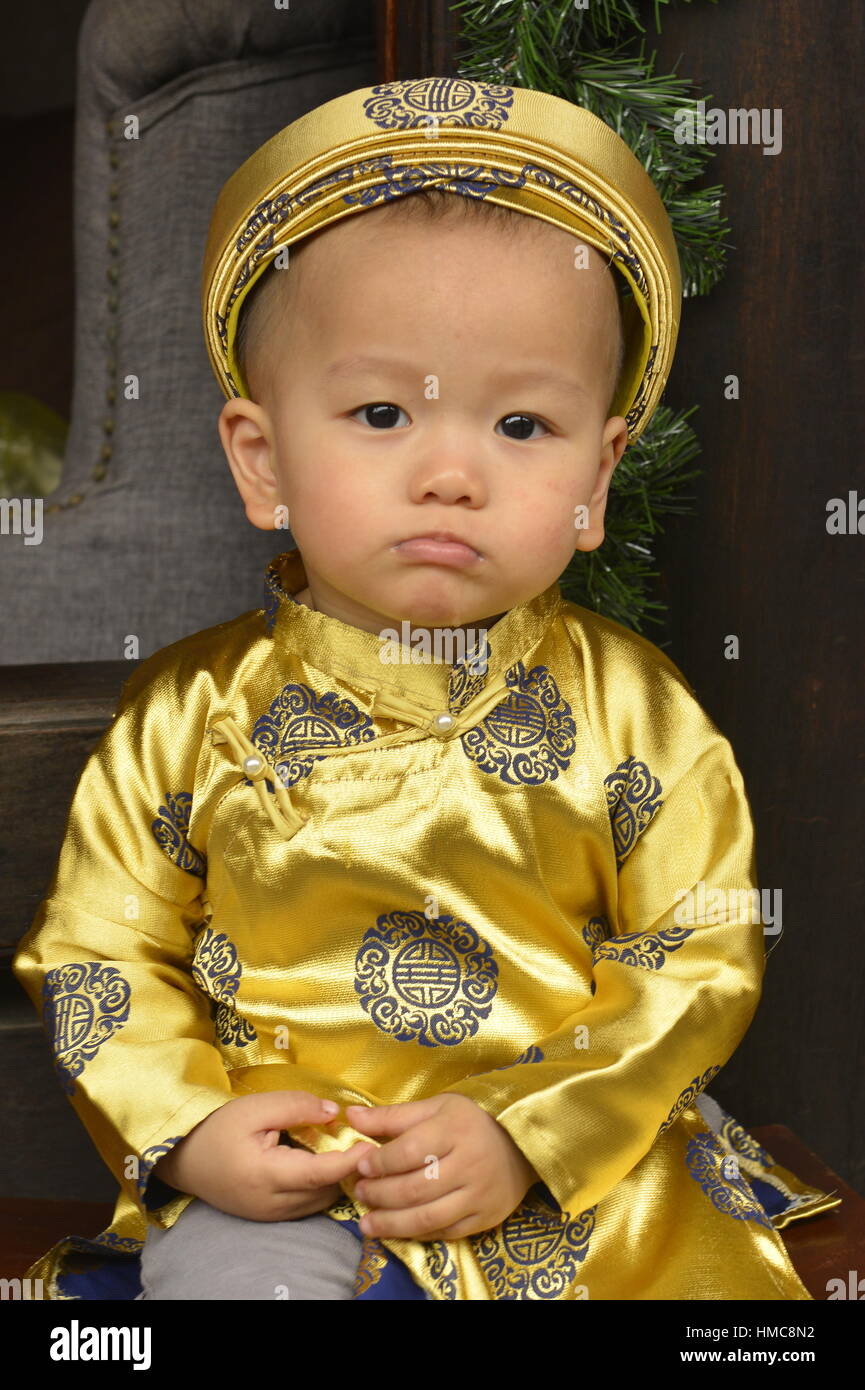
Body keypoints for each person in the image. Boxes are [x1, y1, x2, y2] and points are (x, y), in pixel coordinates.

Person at [13, 77, 837, 1301]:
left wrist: (533, 1128)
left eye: (522, 426)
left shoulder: (637, 712)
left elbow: (695, 953)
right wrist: (187, 1128)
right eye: (382, 411)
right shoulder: (187, 715)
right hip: (294, 1172)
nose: (452, 471)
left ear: (597, 479)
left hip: (577, 1179)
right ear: (262, 458)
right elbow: (100, 947)